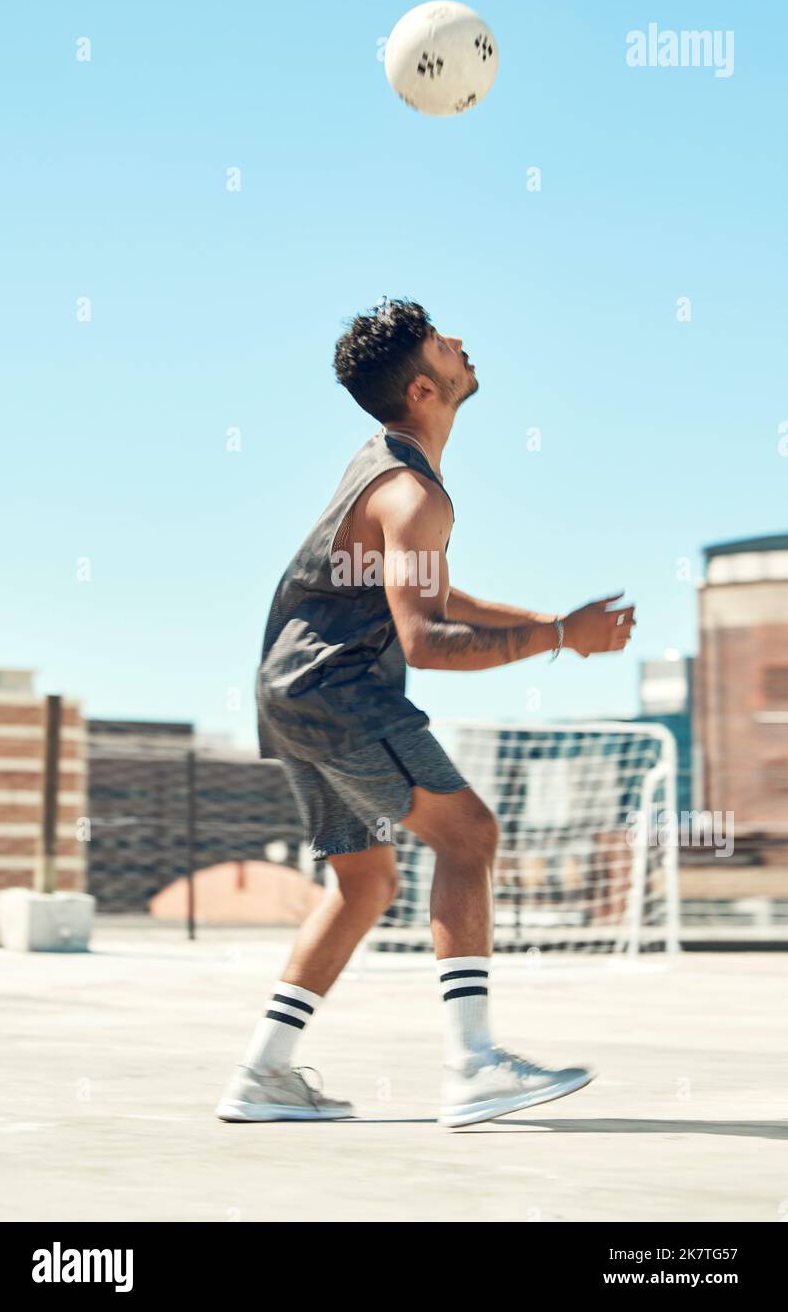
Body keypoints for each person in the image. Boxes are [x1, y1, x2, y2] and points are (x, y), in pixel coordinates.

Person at [215, 298, 635, 1128]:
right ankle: (474, 1067)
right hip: (338, 691)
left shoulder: (385, 466)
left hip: (286, 689)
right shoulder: (412, 493)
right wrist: (557, 636)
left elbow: (438, 596)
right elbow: (431, 639)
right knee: (469, 835)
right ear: (424, 388)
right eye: (444, 344)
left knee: (365, 883)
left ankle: (263, 1072)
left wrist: (559, 630)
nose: (461, 344)